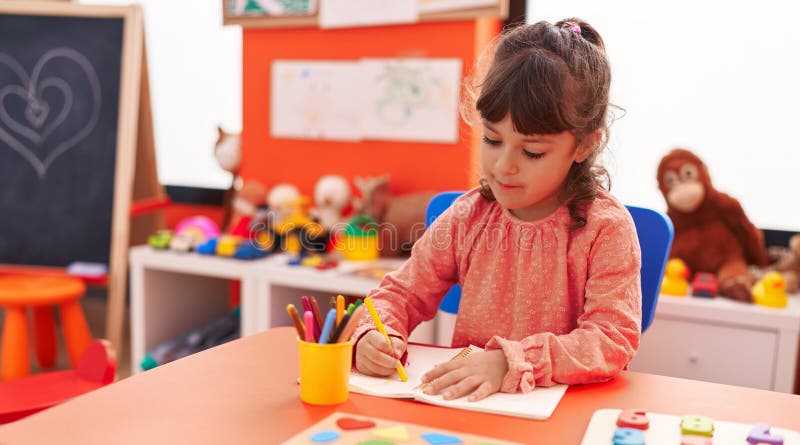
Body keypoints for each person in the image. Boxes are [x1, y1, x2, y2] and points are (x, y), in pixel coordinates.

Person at [352, 18, 642, 402]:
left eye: (532, 151)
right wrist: (373, 335)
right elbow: (399, 295)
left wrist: (511, 362)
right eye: (492, 138)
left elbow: (610, 340)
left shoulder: (606, 229)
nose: (504, 165)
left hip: (561, 414)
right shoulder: (467, 216)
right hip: (469, 410)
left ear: (585, 145)